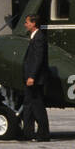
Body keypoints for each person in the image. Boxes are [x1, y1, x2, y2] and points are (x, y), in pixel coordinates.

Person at [21, 14, 50, 142]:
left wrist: (32, 76)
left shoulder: (39, 38)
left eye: (27, 22)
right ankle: (28, 132)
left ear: (33, 24)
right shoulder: (34, 37)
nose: (25, 24)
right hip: (30, 77)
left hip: (35, 79)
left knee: (37, 105)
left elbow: (38, 59)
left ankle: (43, 133)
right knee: (28, 105)